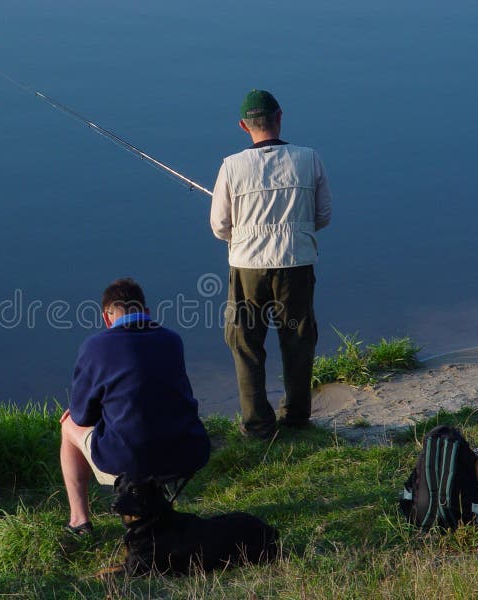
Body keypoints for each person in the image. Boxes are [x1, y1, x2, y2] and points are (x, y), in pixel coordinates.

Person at [210, 89, 332, 440]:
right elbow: (323, 215)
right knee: (297, 336)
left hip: (247, 266)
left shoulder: (231, 166)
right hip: (296, 263)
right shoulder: (309, 158)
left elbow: (220, 226)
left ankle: (257, 424)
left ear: (243, 126)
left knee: (245, 341)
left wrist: (243, 235)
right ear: (280, 116)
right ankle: (296, 416)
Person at [60, 278, 210, 534]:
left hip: (130, 461)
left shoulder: (95, 347)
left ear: (107, 318)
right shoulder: (172, 341)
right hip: (186, 452)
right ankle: (158, 500)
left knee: (69, 424)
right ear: (147, 313)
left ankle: (79, 521)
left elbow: (83, 415)